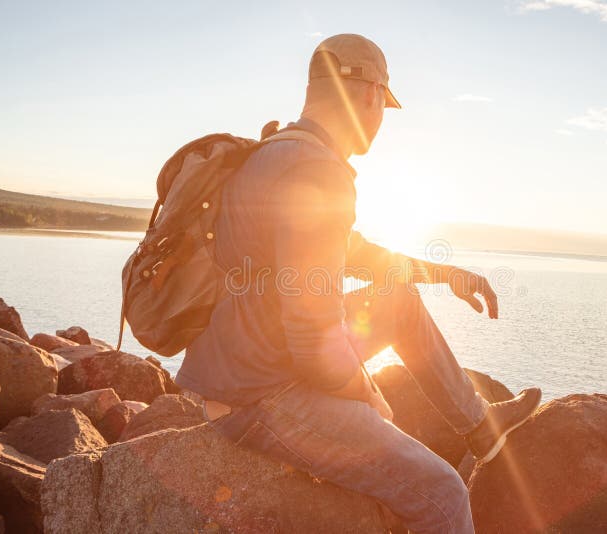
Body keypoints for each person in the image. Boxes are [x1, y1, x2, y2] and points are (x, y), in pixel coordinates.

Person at [175, 33, 541, 533]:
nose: (381, 118)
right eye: (384, 105)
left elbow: (356, 253)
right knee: (443, 494)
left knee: (397, 299)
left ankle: (480, 428)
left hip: (245, 364)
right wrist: (367, 395)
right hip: (259, 396)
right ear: (371, 94)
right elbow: (311, 339)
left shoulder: (276, 152)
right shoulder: (318, 170)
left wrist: (445, 274)